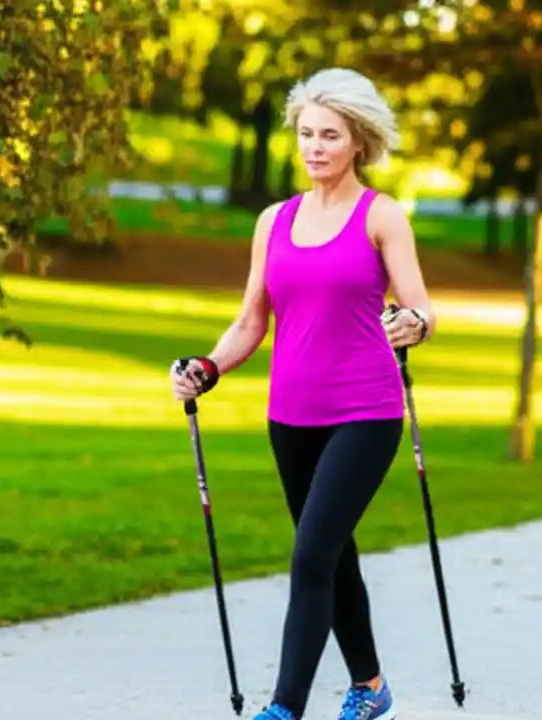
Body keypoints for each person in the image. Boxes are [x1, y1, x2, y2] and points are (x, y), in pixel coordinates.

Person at [170, 67, 435, 720]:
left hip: (366, 414)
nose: (315, 147)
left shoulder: (382, 217)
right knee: (333, 553)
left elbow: (420, 309)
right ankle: (371, 690)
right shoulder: (274, 221)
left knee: (311, 552)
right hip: (290, 416)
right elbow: (250, 322)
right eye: (306, 134)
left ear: (358, 142)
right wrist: (206, 366)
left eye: (330, 135)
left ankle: (284, 708)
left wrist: (414, 324)